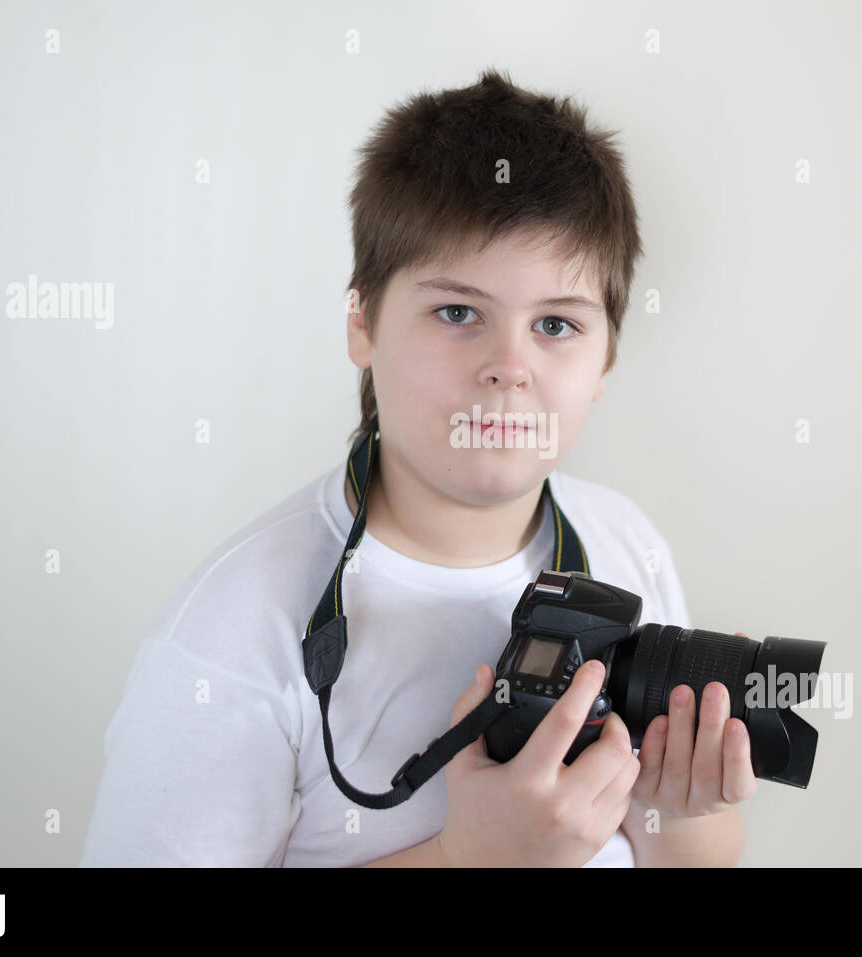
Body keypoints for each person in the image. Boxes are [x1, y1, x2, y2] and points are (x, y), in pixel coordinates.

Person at [81, 67, 756, 868]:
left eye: (555, 324)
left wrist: (684, 811)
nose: (511, 367)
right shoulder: (234, 633)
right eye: (458, 312)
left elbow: (676, 857)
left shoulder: (626, 543)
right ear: (361, 322)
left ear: (607, 354)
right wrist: (467, 859)